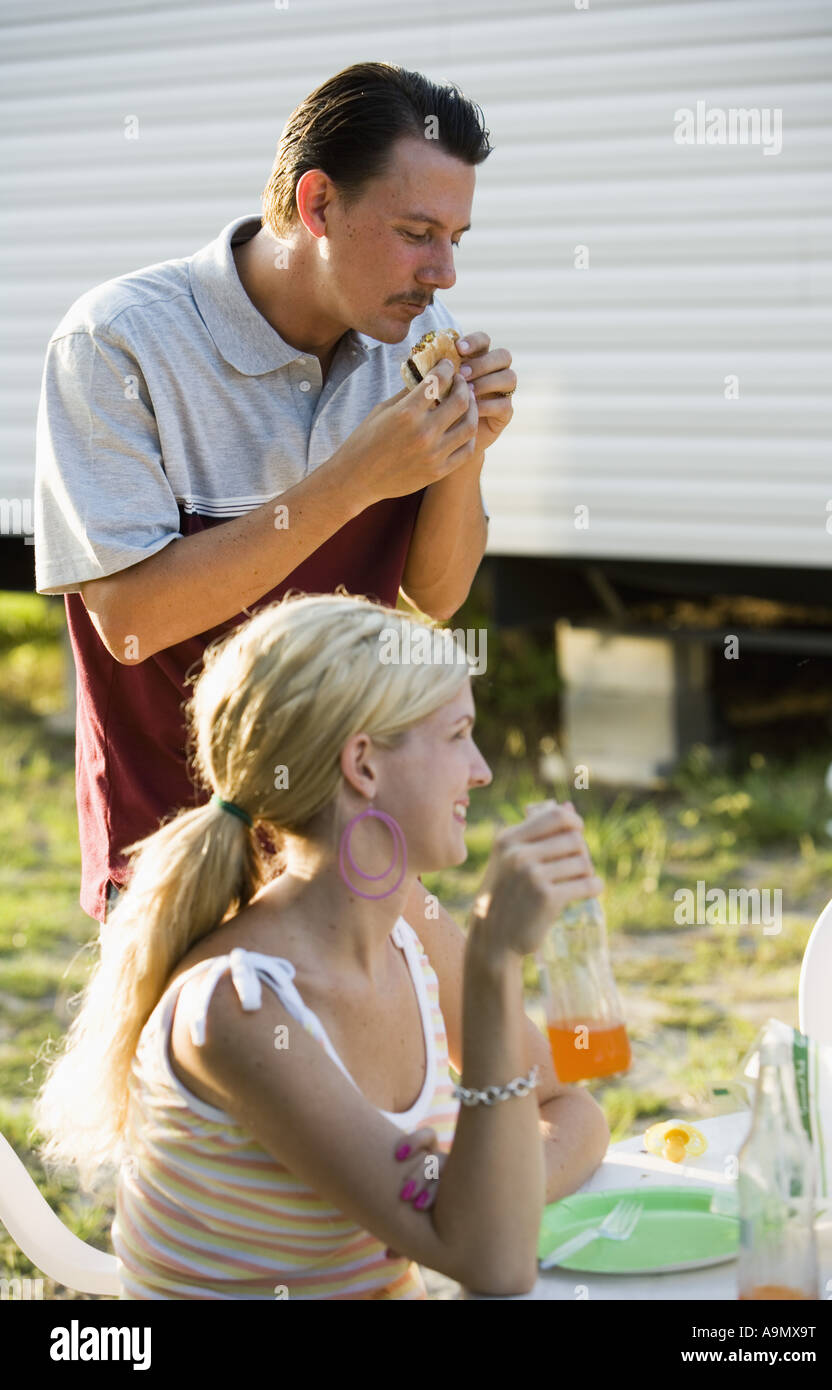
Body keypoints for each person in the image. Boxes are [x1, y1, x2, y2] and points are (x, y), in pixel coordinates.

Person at [33, 62, 517, 928]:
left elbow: (434, 597)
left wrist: (465, 450)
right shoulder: (115, 344)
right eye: (417, 233)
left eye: (457, 237)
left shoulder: (416, 337)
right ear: (318, 202)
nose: (443, 273)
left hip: (346, 849)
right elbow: (132, 623)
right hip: (173, 856)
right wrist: (356, 478)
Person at [33, 593, 610, 1300]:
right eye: (458, 735)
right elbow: (493, 1263)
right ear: (363, 765)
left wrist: (482, 1192)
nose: (482, 769)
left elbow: (570, 1105)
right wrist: (493, 965)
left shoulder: (409, 924)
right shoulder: (237, 1010)